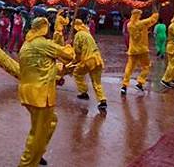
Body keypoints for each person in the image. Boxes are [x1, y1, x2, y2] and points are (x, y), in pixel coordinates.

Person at [17, 17, 74, 166]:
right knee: (38, 134)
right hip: (41, 95)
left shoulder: (28, 43)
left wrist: (60, 69)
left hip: (30, 92)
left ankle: (38, 151)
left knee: (51, 122)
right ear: (44, 27)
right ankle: (27, 163)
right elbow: (68, 55)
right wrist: (68, 46)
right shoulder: (41, 43)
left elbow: (43, 66)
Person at [120, 7, 159, 95]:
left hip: (133, 50)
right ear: (138, 15)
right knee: (146, 66)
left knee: (129, 68)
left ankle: (124, 86)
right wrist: (155, 10)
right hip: (142, 50)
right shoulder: (142, 23)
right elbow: (153, 19)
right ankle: (140, 82)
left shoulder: (129, 25)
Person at [72, 19, 107, 111]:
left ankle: (83, 92)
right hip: (98, 59)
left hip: (88, 60)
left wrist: (75, 61)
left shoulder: (78, 35)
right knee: (97, 82)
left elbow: (77, 51)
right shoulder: (88, 33)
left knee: (77, 73)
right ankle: (102, 100)